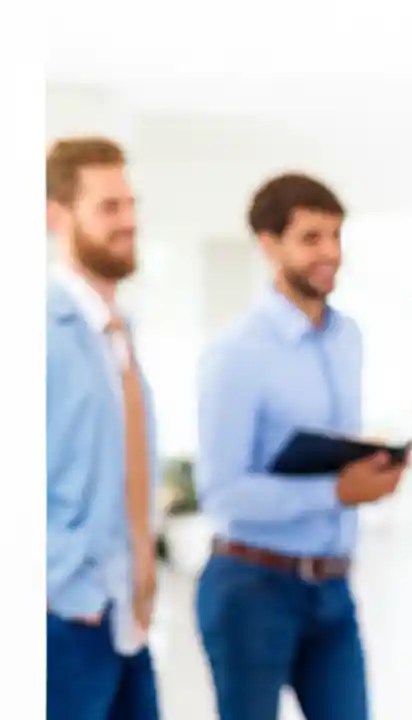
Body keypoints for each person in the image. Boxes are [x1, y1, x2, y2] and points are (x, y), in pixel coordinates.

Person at [194, 173, 407, 720]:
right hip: (252, 587)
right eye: (312, 238)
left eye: (336, 236)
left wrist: (372, 469)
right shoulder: (236, 353)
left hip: (333, 588)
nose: (330, 253)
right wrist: (336, 490)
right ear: (269, 244)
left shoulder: (348, 337)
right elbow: (222, 493)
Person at [46, 137, 161, 720]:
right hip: (64, 621)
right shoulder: (37, 330)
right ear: (56, 215)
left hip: (125, 618)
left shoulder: (118, 332)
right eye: (109, 207)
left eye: (131, 204)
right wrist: (63, 583)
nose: (129, 221)